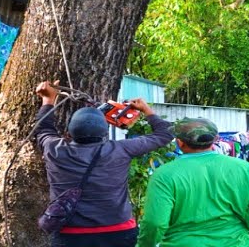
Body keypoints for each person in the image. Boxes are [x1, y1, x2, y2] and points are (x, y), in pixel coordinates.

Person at [32, 81, 173, 247]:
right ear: (105, 131)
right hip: (119, 233)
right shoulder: (121, 150)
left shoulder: (55, 149)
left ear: (69, 131)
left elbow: (43, 129)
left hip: (70, 235)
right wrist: (146, 110)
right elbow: (165, 134)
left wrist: (48, 100)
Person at [136, 118, 249, 247]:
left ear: (179, 142)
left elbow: (155, 223)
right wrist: (238, 229)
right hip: (235, 242)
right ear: (216, 139)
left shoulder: (164, 175)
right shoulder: (243, 168)